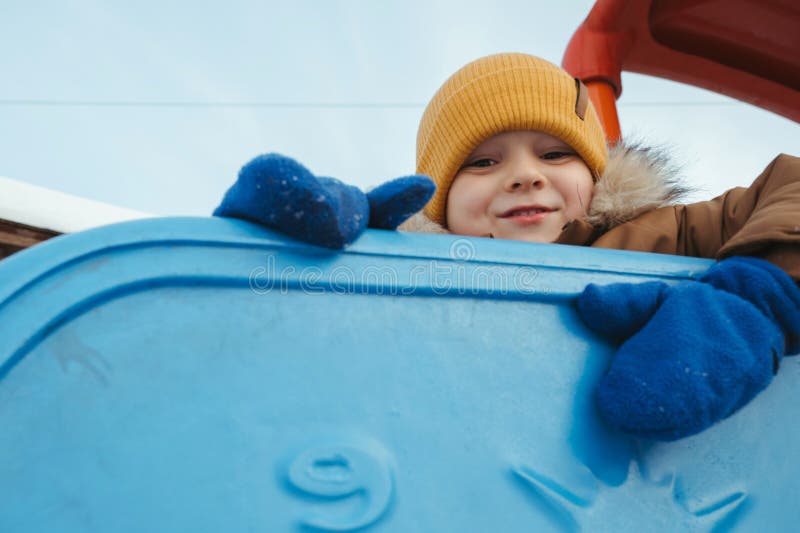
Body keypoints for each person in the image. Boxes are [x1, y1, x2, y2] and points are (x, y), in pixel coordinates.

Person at [215, 52, 800, 441]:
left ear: (597, 173)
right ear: (438, 199)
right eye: (482, 162)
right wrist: (274, 243)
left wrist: (760, 294)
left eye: (554, 154)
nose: (524, 176)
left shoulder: (662, 234)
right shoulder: (413, 272)